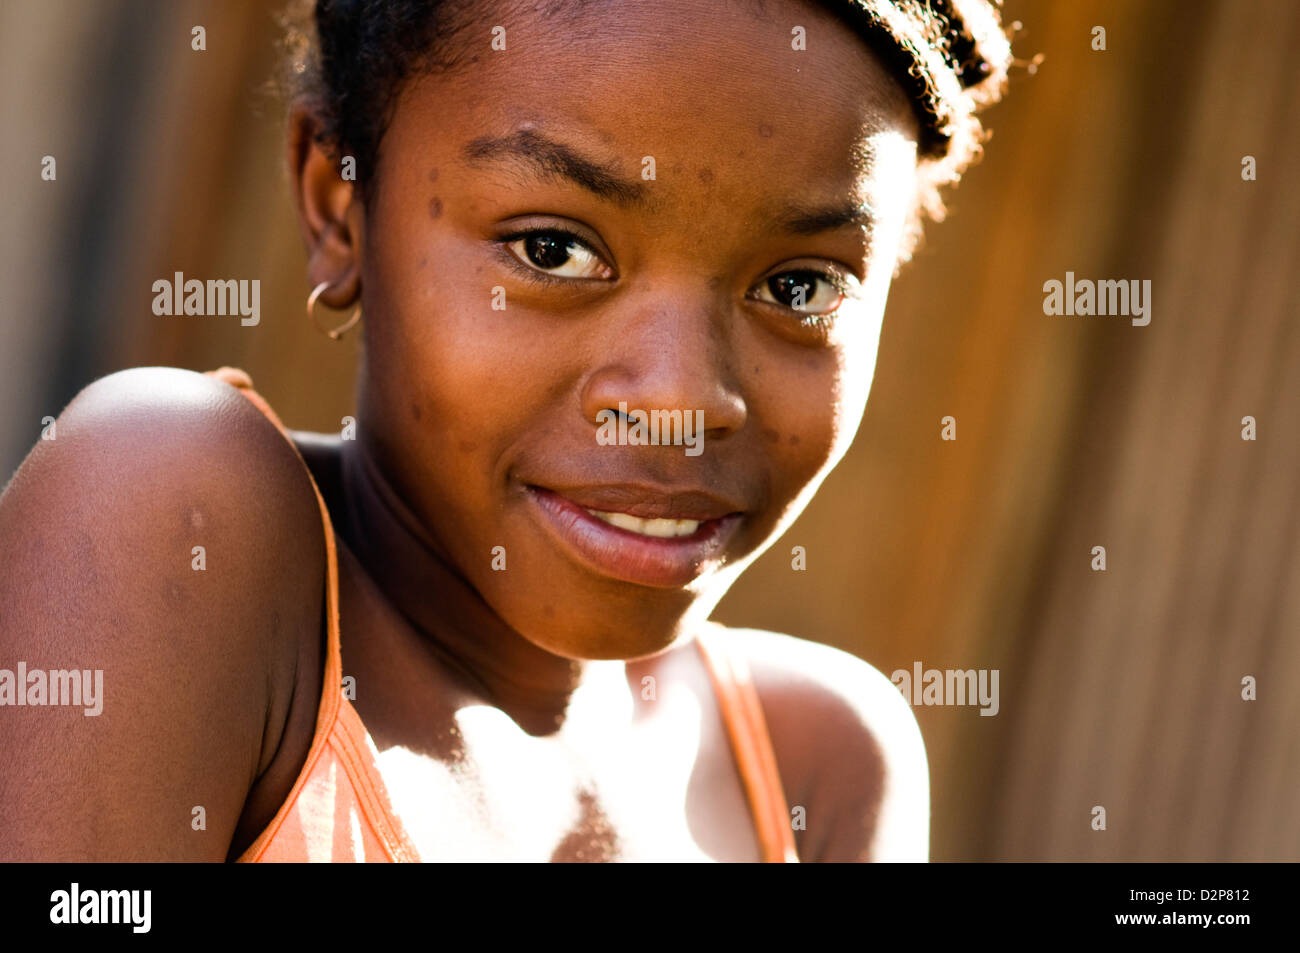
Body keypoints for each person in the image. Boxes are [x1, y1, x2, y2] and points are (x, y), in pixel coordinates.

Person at [0, 0, 1015, 861]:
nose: (678, 399)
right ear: (338, 204)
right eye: (553, 249)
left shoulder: (816, 774)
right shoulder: (173, 517)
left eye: (799, 285)